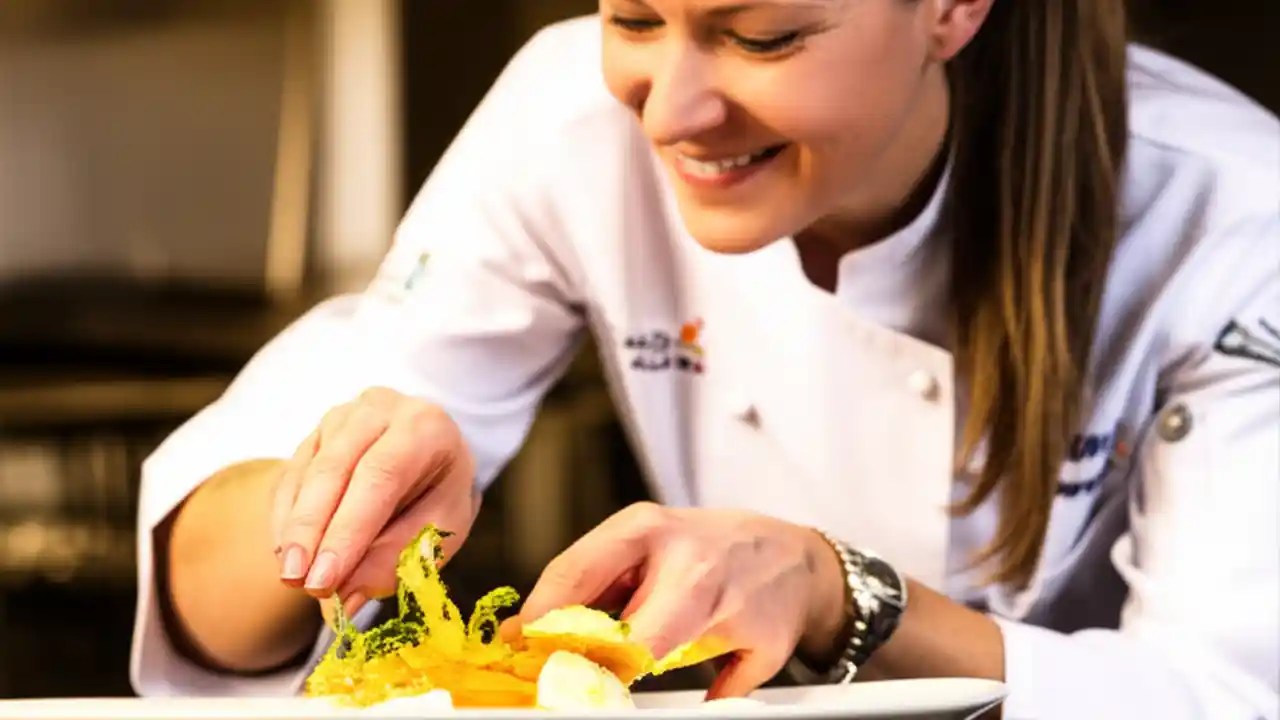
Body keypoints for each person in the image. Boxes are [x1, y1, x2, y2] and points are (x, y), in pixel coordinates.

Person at [129, 2, 1279, 718]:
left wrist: (839, 594)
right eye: (632, 20)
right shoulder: (563, 118)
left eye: (760, 36)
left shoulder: (1231, 212)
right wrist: (327, 498)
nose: (670, 110)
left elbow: (1229, 696)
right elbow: (207, 610)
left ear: (951, 8)